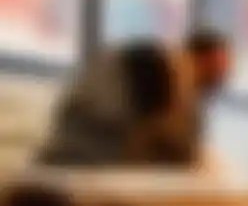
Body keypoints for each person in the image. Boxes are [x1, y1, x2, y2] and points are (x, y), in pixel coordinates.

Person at [37, 29, 231, 168]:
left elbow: (182, 152)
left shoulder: (188, 93)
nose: (223, 76)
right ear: (203, 58)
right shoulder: (150, 67)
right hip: (83, 164)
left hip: (98, 166)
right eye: (220, 66)